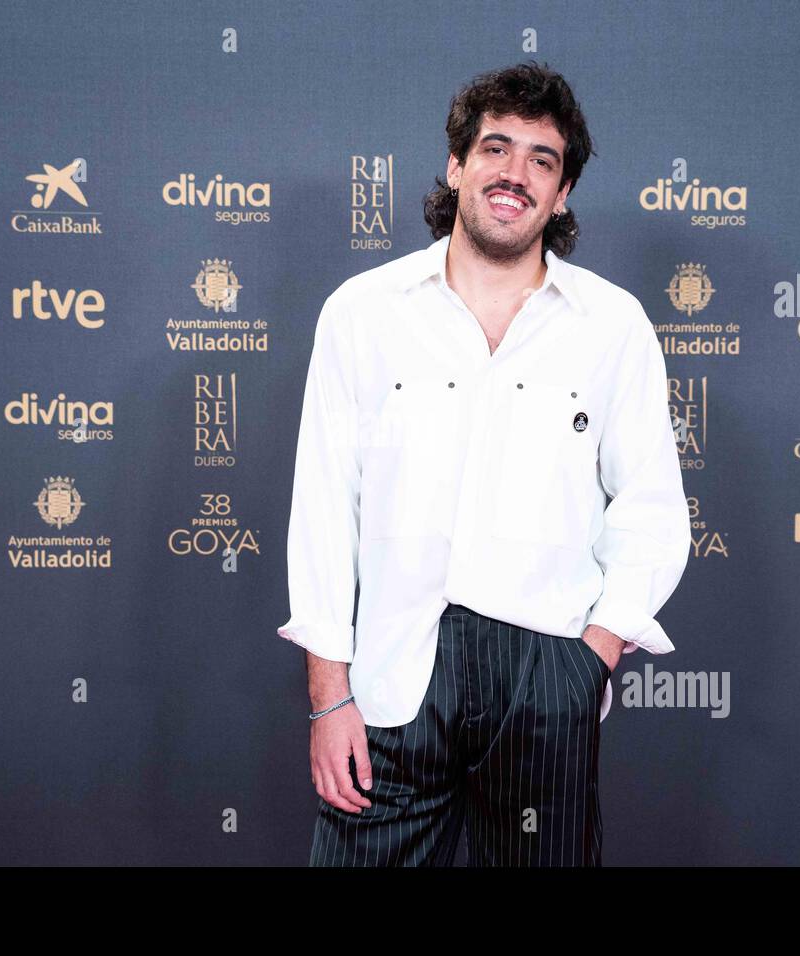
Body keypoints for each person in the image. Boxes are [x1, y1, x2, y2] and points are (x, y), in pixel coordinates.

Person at [277, 61, 691, 866]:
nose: (516, 174)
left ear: (562, 192)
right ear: (456, 166)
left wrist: (589, 664)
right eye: (496, 148)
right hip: (394, 675)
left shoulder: (614, 326)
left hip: (546, 672)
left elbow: (650, 511)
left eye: (543, 160)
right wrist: (330, 699)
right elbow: (326, 509)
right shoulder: (361, 314)